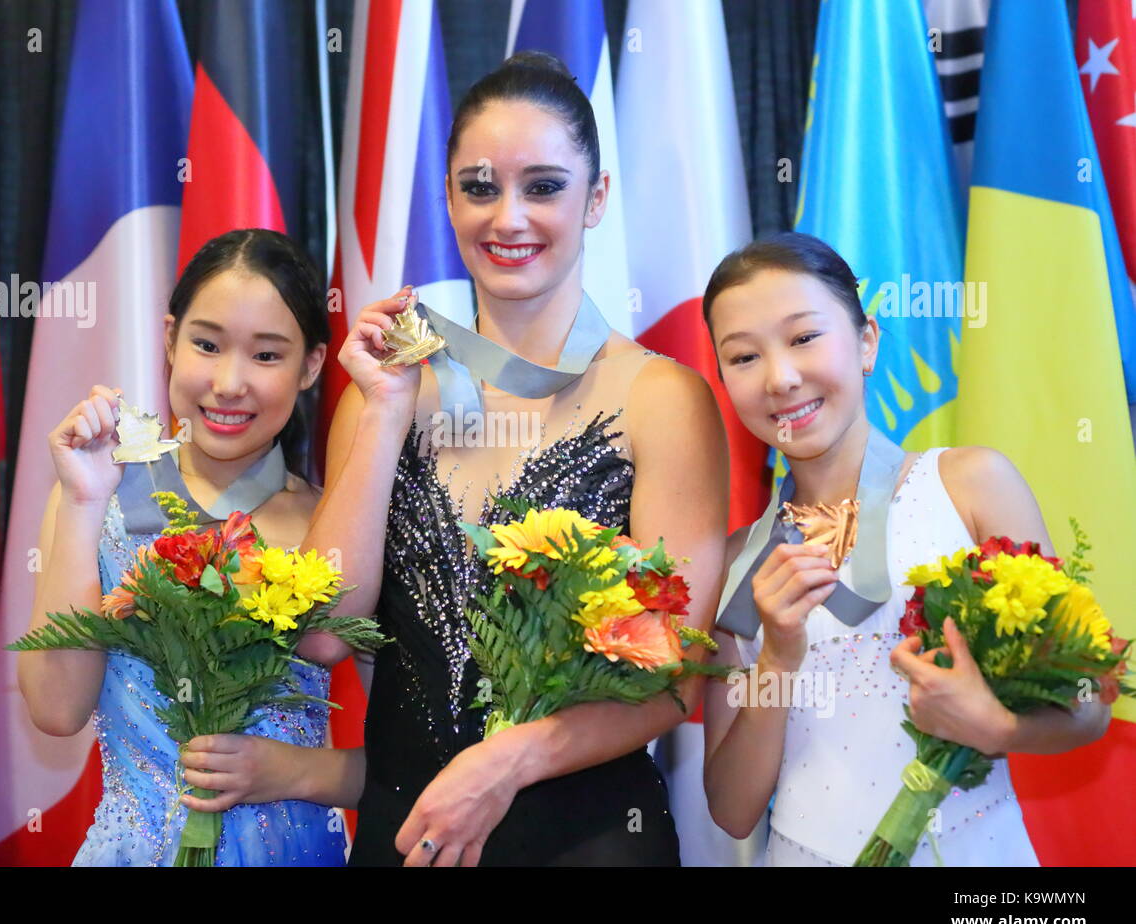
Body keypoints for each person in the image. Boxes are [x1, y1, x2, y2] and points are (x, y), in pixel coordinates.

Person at [289, 50, 730, 867]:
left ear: (596, 198)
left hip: (591, 839)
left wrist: (502, 764)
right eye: (481, 187)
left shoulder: (661, 399)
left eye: (544, 186)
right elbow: (321, 635)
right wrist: (386, 415)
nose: (509, 217)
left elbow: (674, 679)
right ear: (449, 198)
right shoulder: (382, 392)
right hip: (410, 834)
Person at [699, 232, 1110, 866]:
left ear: (866, 341)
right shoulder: (736, 563)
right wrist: (777, 662)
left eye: (805, 338)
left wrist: (999, 728)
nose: (780, 377)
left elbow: (1089, 698)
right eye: (744, 357)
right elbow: (731, 808)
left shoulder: (970, 486)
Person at [17, 228, 347, 865]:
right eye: (206, 344)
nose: (228, 383)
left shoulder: (331, 527)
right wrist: (84, 504)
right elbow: (56, 710)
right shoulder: (98, 495)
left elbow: (411, 755)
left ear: (311, 366)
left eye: (267, 356)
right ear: (169, 338)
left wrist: (293, 772)